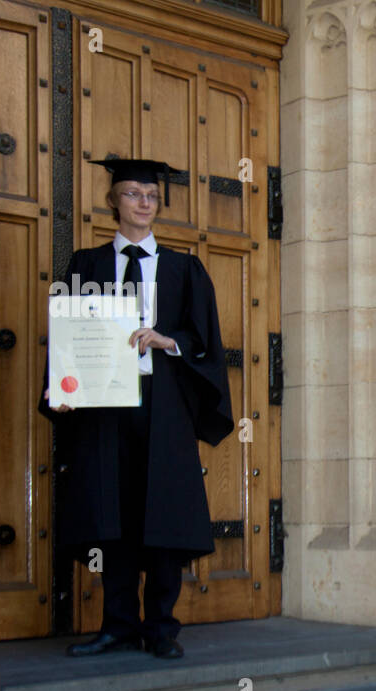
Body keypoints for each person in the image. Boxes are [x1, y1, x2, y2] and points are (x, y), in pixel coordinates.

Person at [38, 158, 234, 659]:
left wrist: (167, 340)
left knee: (163, 515)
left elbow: (204, 339)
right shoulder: (87, 265)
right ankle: (117, 624)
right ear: (113, 203)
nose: (143, 202)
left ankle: (161, 629)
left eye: (150, 195)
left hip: (164, 406)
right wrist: (59, 389)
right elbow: (69, 333)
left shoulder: (185, 269)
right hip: (105, 409)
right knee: (112, 516)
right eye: (131, 193)